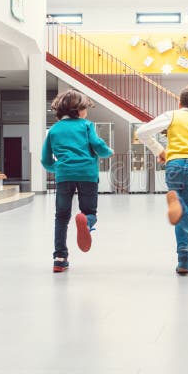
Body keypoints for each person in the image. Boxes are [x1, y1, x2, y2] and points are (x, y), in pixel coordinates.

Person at [137, 85, 188, 275]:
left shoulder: (171, 116)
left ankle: (183, 259)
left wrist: (160, 151)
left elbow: (142, 132)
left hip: (174, 165)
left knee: (180, 213)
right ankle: (178, 206)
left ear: (179, 103)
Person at [41, 90, 114, 273]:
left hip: (64, 175)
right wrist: (108, 152)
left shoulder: (54, 130)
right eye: (85, 108)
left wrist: (59, 168)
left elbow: (45, 160)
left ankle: (59, 258)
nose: (86, 112)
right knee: (90, 212)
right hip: (87, 174)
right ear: (78, 109)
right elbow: (98, 146)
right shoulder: (86, 125)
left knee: (61, 217)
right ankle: (86, 222)